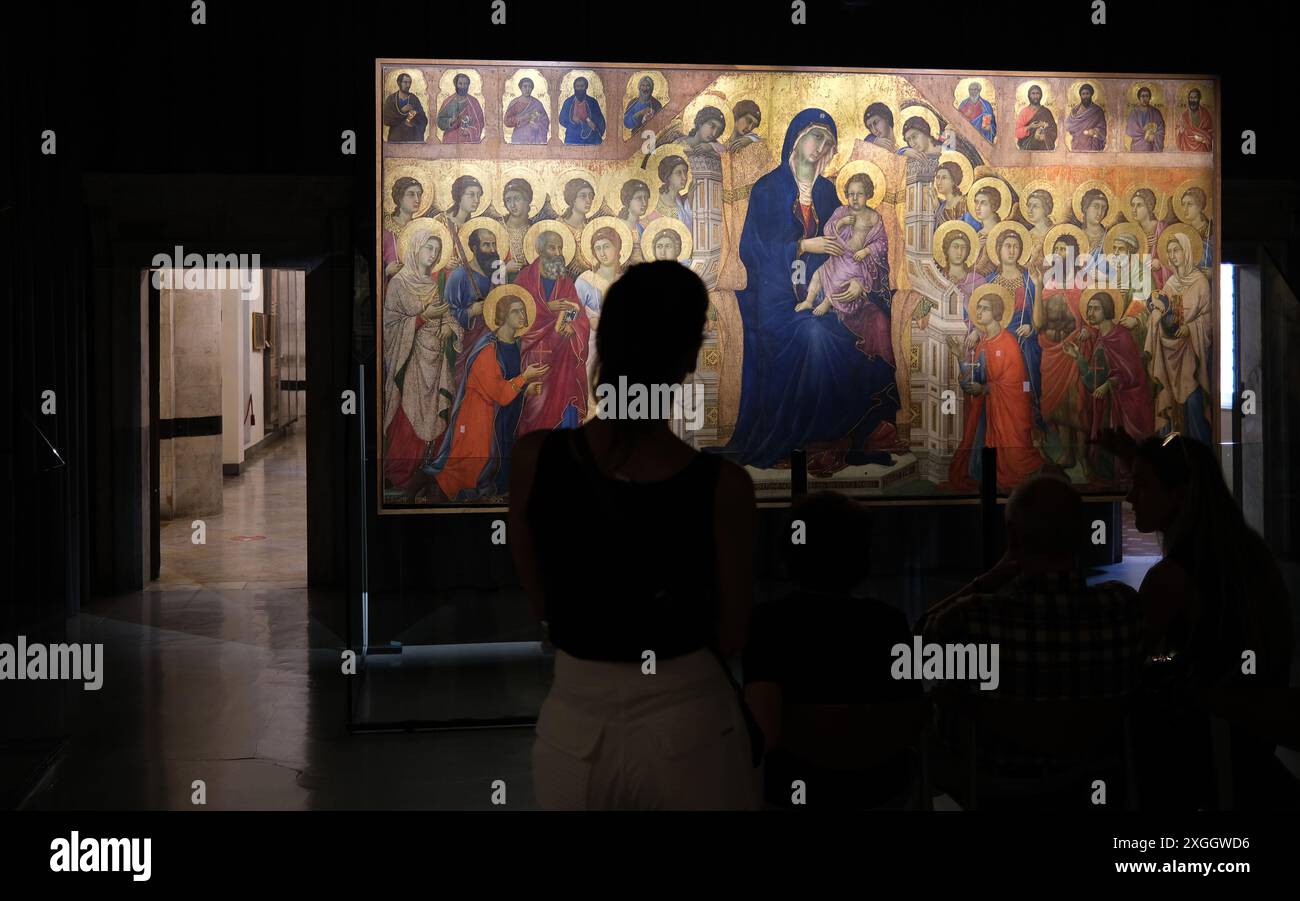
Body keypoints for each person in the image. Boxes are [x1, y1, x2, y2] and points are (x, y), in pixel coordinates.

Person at [509, 261, 760, 810]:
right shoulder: (725, 488)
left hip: (575, 722)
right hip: (690, 718)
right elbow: (734, 629)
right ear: (690, 357)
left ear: (604, 343)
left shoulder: (535, 460)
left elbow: (540, 593)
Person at [919, 475, 1143, 803]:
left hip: (989, 787)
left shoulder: (974, 618)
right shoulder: (1122, 608)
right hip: (1086, 784)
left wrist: (985, 581)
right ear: (1083, 536)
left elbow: (917, 648)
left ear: (1012, 537)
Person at [1102, 430, 1295, 808]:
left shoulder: (1172, 577)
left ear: (1179, 495)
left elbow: (1125, 664)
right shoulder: (1247, 554)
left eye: (1142, 485)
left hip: (1203, 751)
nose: (1129, 498)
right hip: (1248, 743)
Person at [743, 492, 921, 809]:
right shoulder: (887, 622)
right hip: (879, 789)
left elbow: (763, 730)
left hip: (791, 789)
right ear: (862, 557)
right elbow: (907, 719)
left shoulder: (768, 624)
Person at [382, 72, 428, 143]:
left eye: (409, 82)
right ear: (399, 83)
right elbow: (386, 120)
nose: (408, 85)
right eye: (405, 82)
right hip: (396, 137)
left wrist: (413, 119)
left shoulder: (414, 98)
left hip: (411, 137)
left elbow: (423, 119)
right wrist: (402, 111)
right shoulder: (391, 99)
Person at [503, 77, 549, 144]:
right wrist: (521, 118)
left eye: (529, 86)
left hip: (534, 138)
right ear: (521, 88)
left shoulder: (537, 104)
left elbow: (545, 121)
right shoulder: (515, 103)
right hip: (519, 138)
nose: (527, 89)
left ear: (532, 88)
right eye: (525, 86)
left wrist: (537, 125)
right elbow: (507, 121)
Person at [1065, 83, 1106, 151]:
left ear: (1091, 95)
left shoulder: (1097, 110)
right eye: (1083, 94)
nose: (1085, 96)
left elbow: (1103, 128)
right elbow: (1068, 125)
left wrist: (1095, 131)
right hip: (1077, 144)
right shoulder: (1075, 110)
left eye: (1087, 93)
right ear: (1080, 95)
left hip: (1092, 144)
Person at [1015, 85, 1057, 150]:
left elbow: (1053, 130)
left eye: (1037, 93)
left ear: (1041, 95)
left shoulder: (1046, 111)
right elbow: (1017, 132)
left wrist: (1045, 129)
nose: (1035, 96)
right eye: (1033, 93)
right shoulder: (1024, 112)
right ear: (1029, 95)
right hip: (1028, 148)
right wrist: (1030, 127)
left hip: (1044, 148)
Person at [1125, 86, 1165, 151]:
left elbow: (1161, 129)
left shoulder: (1156, 112)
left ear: (1149, 98)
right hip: (1136, 146)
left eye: (1147, 96)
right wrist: (1144, 133)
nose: (1144, 98)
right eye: (1142, 96)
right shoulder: (1134, 113)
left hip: (1150, 146)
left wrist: (1154, 136)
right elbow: (1129, 130)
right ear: (1139, 98)